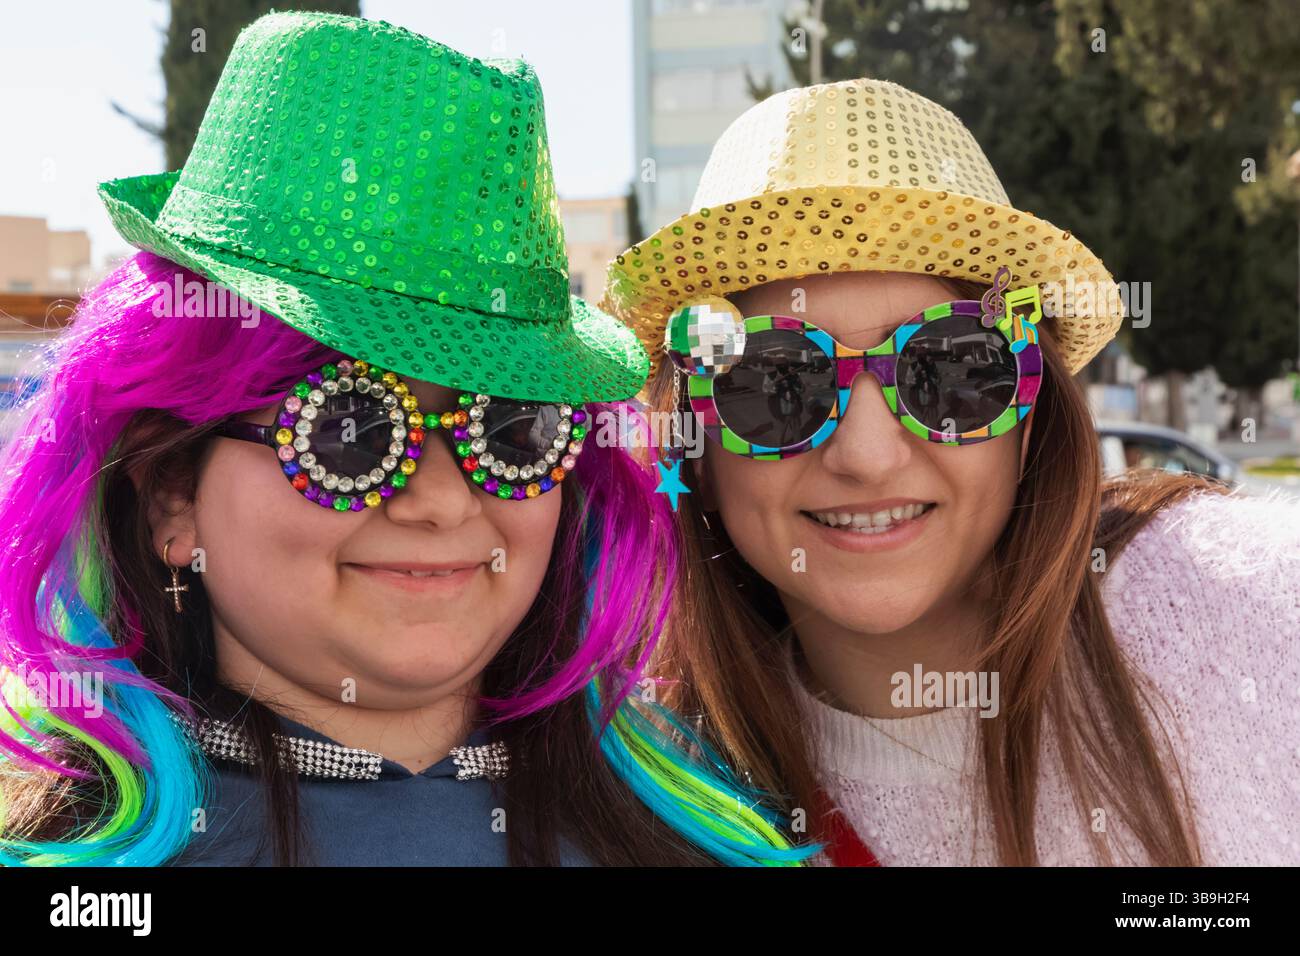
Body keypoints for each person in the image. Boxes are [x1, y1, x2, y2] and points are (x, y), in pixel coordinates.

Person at [0, 11, 812, 867]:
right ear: (172, 492)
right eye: (349, 429)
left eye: (515, 430)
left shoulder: (707, 840)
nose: (440, 498)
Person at [602, 77, 1300, 866]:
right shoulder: (647, 790)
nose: (867, 457)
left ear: (1031, 414)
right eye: (776, 382)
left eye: (952, 369)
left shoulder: (1257, 612)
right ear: (697, 441)